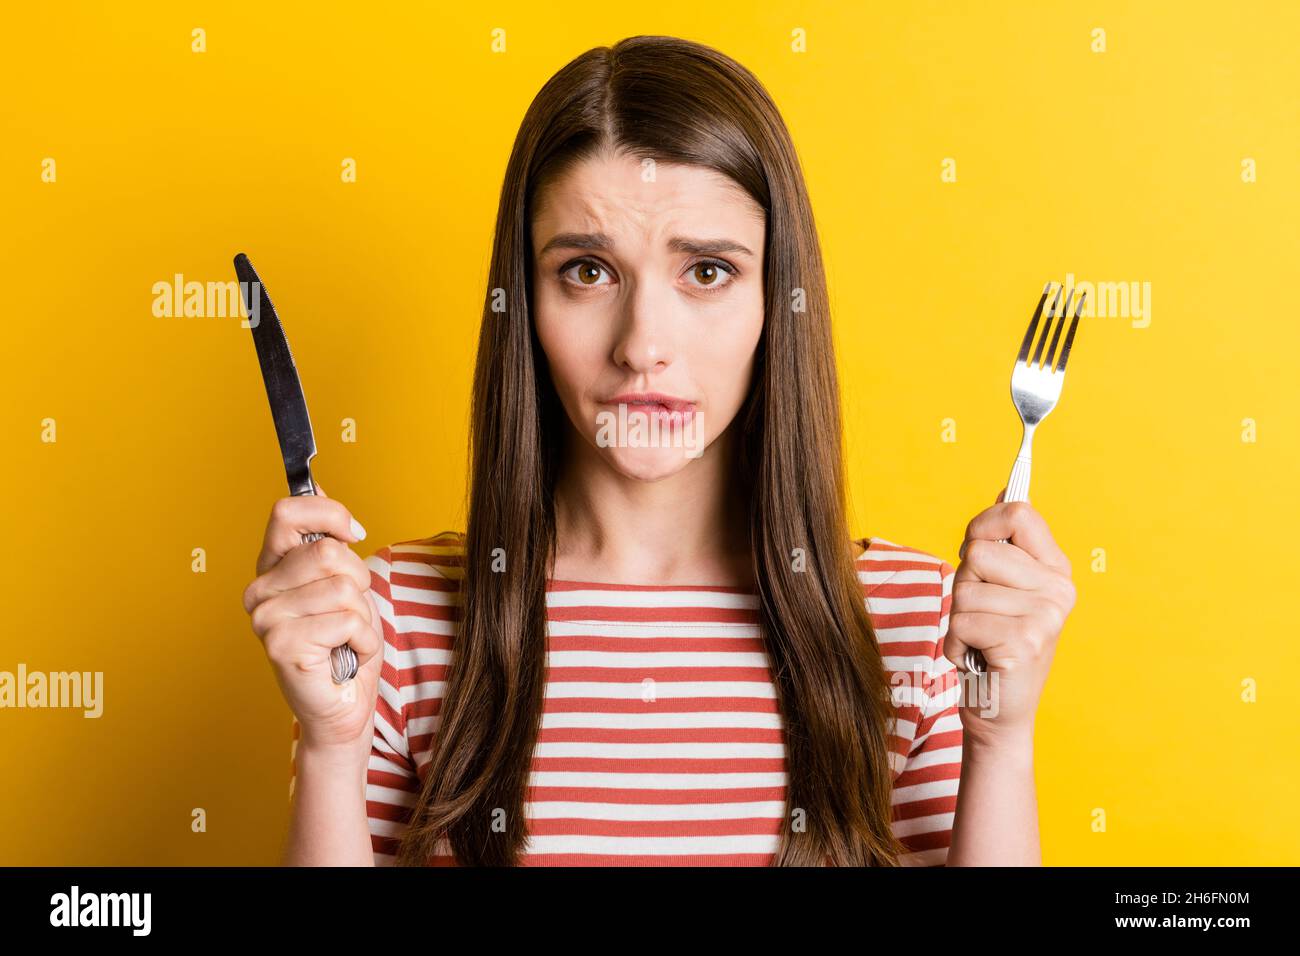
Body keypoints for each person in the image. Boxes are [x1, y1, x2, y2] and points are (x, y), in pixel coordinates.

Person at [242, 35, 1076, 866]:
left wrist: (1001, 744)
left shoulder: (922, 624)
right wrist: (331, 747)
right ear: (522, 301)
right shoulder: (391, 622)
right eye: (588, 271)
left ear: (774, 301)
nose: (644, 344)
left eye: (707, 271)